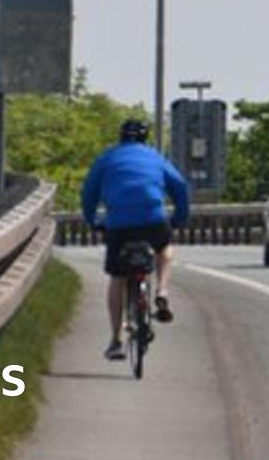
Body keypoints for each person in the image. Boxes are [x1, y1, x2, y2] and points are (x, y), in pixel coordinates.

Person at [81, 119, 189, 360]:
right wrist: (179, 218)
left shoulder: (107, 158)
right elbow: (180, 187)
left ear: (121, 137)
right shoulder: (156, 157)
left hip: (118, 223)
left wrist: (92, 220)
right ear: (144, 138)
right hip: (153, 218)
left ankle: (116, 341)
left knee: (117, 277)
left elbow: (89, 192)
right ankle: (161, 291)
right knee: (164, 248)